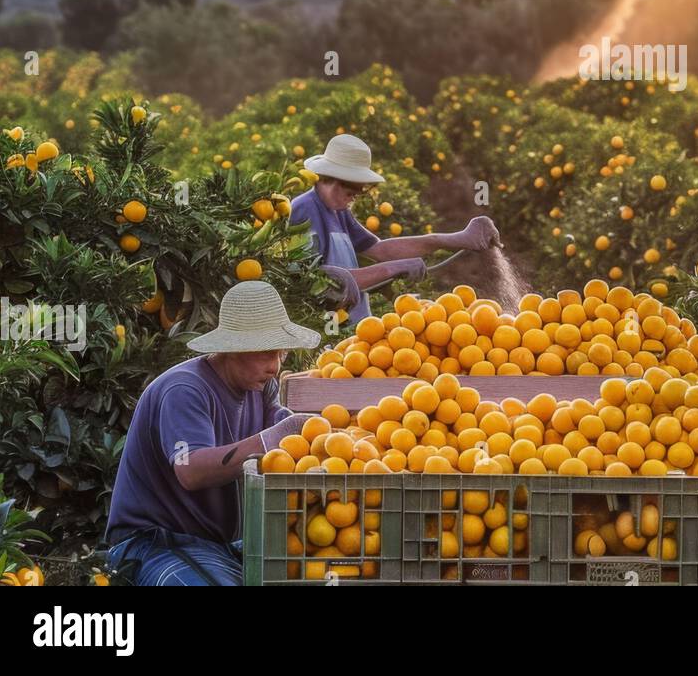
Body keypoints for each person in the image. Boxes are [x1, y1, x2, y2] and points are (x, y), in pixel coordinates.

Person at [103, 281, 320, 585]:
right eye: (266, 353)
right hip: (154, 543)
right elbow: (191, 472)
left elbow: (285, 430)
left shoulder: (261, 386)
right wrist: (268, 439)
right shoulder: (185, 390)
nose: (275, 366)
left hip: (217, 546)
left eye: (281, 353)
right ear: (232, 349)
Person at [289, 133, 500, 324]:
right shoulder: (305, 210)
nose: (355, 197)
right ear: (334, 180)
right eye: (354, 191)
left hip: (354, 329)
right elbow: (316, 280)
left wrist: (456, 239)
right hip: (327, 331)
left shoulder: (337, 210)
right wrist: (393, 269)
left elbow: (381, 250)